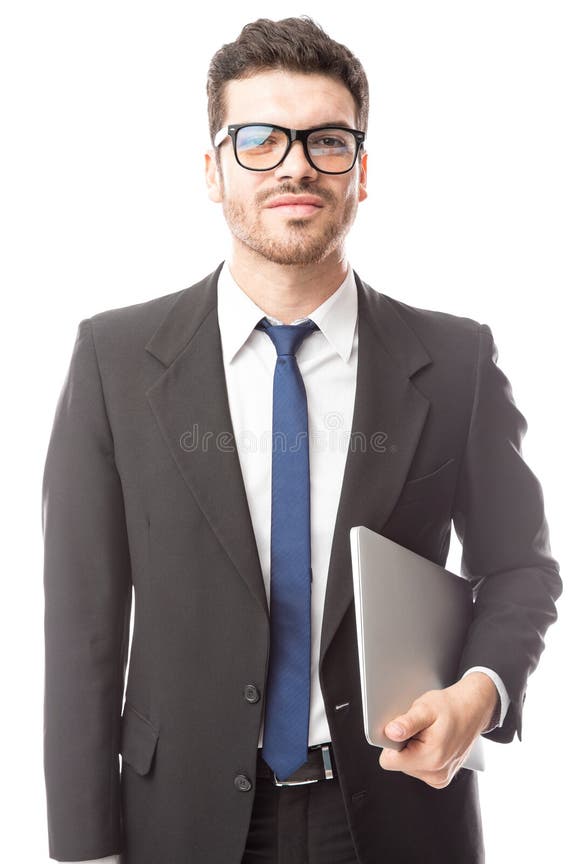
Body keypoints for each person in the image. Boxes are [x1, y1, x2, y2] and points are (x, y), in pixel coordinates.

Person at [42, 16, 562, 864]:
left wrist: (482, 691)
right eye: (259, 139)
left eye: (326, 140)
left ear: (361, 172)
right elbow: (82, 622)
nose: (294, 164)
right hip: (177, 820)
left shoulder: (458, 359)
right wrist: (80, 847)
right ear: (212, 172)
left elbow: (519, 568)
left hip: (400, 808)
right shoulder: (113, 358)